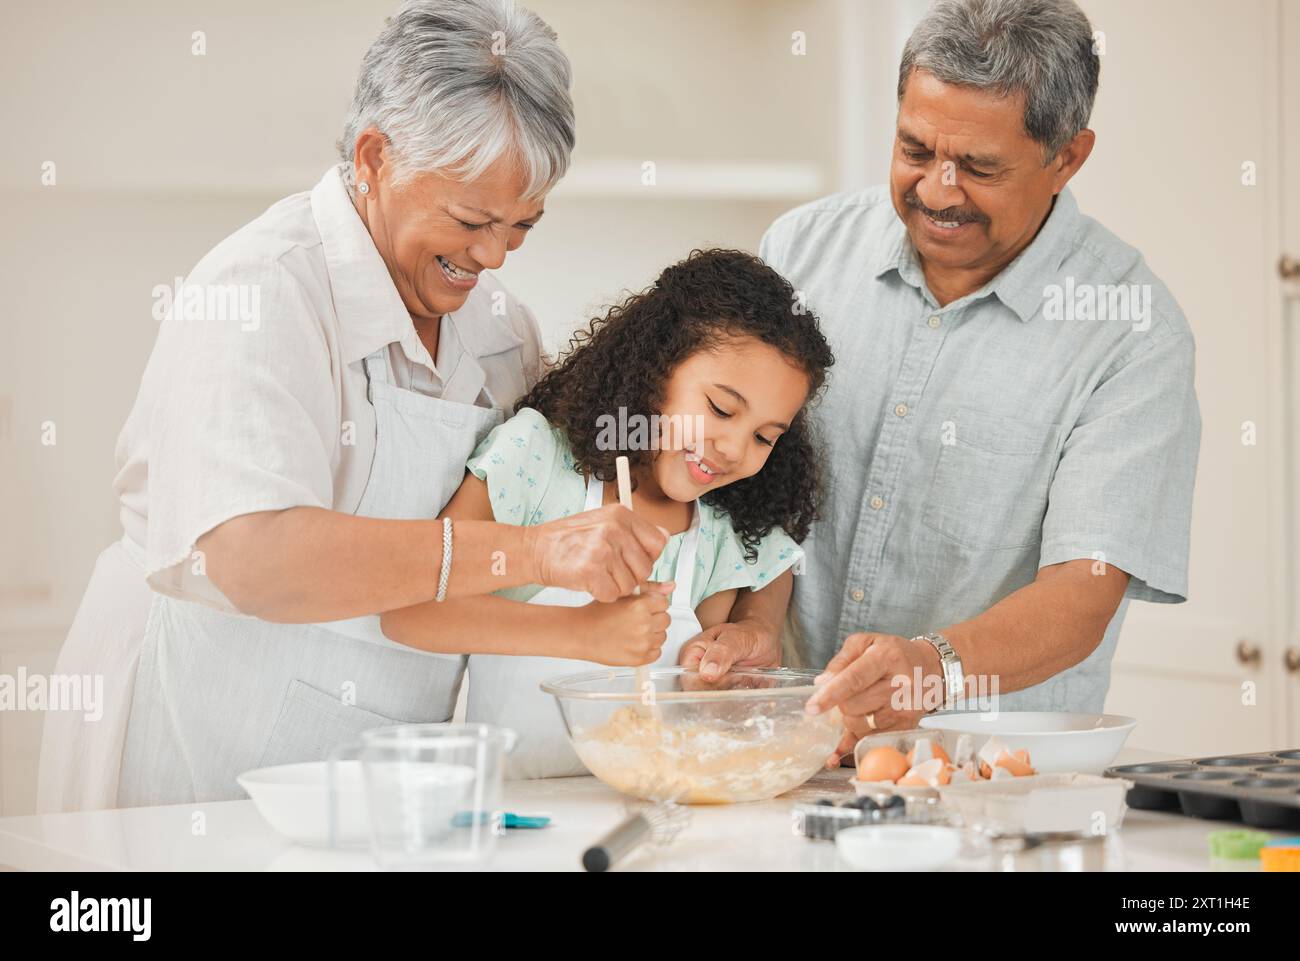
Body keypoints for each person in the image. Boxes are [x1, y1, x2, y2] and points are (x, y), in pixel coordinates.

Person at [38, 0, 674, 811]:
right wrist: (535, 553)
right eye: (473, 219)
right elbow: (251, 554)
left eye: (523, 224)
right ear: (374, 157)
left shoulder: (502, 333)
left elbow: (554, 504)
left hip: (372, 778)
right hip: (195, 738)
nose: (493, 255)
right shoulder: (262, 291)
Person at [758, 0, 1200, 755]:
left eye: (981, 168)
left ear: (1068, 156)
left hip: (991, 776)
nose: (937, 189)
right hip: (783, 756)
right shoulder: (802, 252)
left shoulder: (1131, 330)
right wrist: (753, 633)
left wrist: (930, 667)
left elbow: (1080, 596)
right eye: (915, 148)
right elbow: (751, 492)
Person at [381, 248, 834, 776]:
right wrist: (581, 632)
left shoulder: (717, 533)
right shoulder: (538, 462)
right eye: (720, 409)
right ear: (655, 367)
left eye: (763, 436)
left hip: (652, 815)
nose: (734, 448)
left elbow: (766, 579)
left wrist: (735, 648)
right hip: (516, 813)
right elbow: (410, 610)